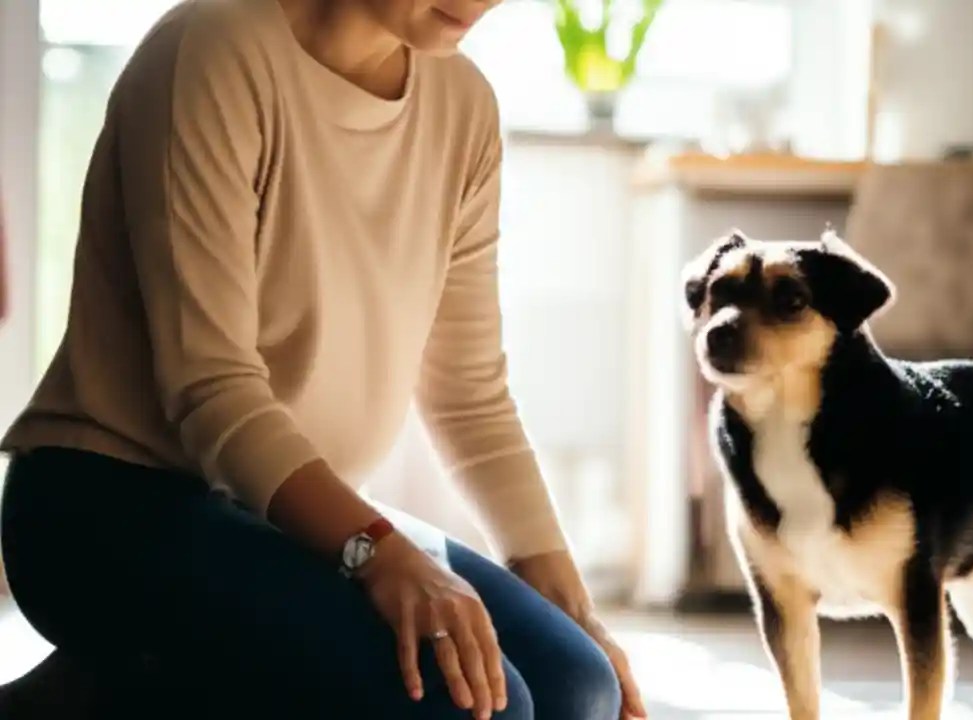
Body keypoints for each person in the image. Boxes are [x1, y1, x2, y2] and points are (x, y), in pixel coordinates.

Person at [0, 1, 645, 718]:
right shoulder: (213, 50)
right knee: (470, 707)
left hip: (285, 518)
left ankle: (105, 690)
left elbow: (470, 394)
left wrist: (571, 606)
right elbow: (212, 387)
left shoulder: (463, 105)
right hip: (108, 504)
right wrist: (378, 551)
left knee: (579, 685)